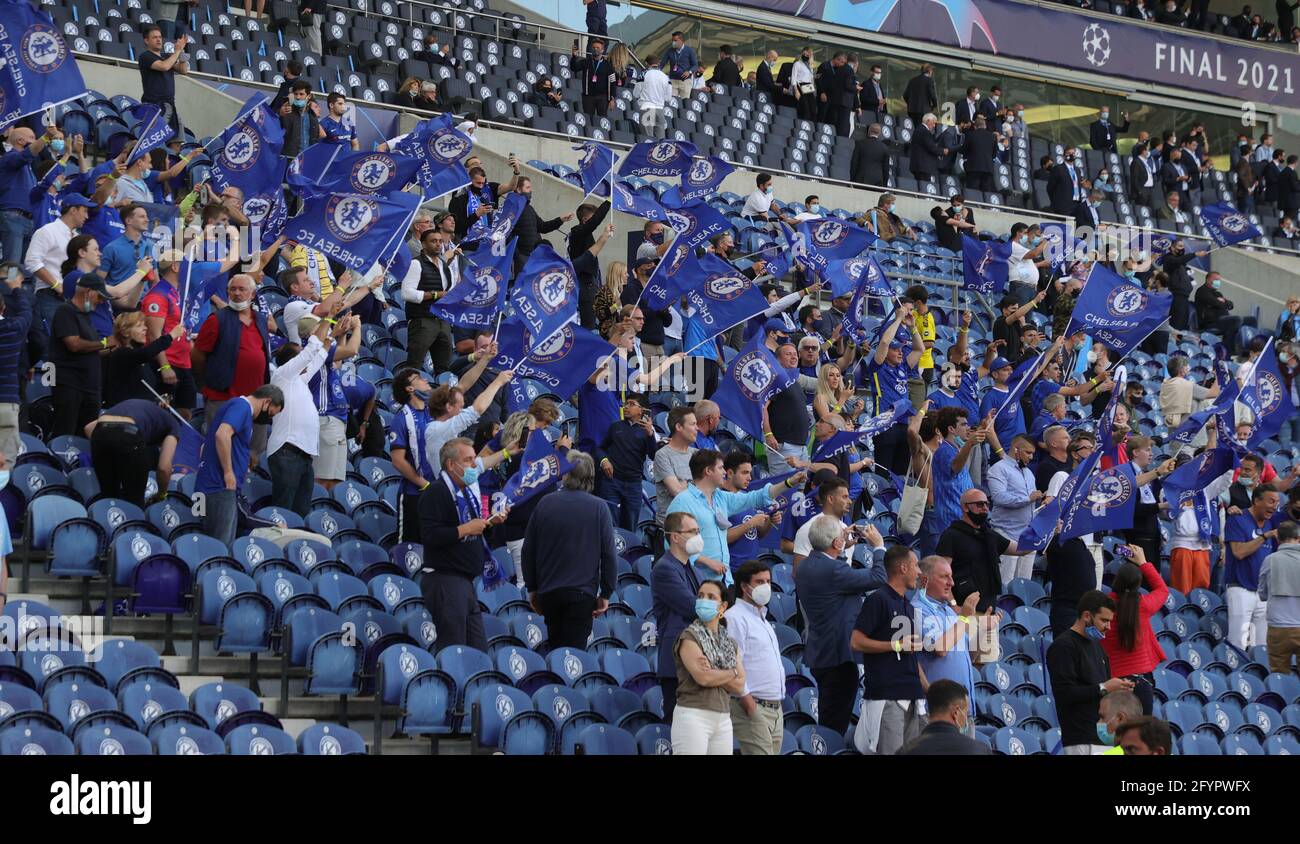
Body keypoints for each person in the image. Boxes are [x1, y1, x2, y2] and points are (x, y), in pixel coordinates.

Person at [795, 514, 887, 736]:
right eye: (839, 537)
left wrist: (842, 546)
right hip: (838, 655)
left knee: (830, 713)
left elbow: (833, 572)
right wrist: (879, 547)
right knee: (834, 724)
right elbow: (878, 576)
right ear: (835, 542)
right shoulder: (834, 571)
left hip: (822, 651)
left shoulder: (808, 564)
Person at [419, 437, 510, 651]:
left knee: (478, 651)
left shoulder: (465, 493)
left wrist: (490, 522)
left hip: (465, 582)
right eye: (468, 460)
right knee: (455, 649)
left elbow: (472, 530)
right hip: (445, 580)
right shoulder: (436, 491)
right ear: (451, 464)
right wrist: (466, 529)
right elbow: (430, 536)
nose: (473, 465)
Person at [523, 451, 617, 649]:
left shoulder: (545, 503)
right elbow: (609, 554)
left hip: (549, 592)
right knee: (574, 658)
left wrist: (532, 588)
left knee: (557, 651)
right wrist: (606, 593)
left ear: (566, 475)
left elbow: (528, 550)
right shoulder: (599, 507)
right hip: (581, 594)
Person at [667, 449, 803, 585]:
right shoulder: (682, 502)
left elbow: (756, 497)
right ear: (708, 471)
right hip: (697, 583)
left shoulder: (720, 497)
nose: (725, 472)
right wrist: (706, 561)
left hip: (725, 581)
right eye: (720, 468)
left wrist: (789, 482)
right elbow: (671, 546)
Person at [851, 543, 926, 754]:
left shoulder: (908, 606)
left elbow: (910, 654)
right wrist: (895, 645)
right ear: (903, 568)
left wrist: (927, 687)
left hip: (913, 693)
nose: (920, 572)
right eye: (916, 566)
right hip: (888, 696)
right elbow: (856, 641)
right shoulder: (878, 600)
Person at [1046, 590, 1135, 755]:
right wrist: (1104, 687)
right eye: (1104, 620)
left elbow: (1103, 690)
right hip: (1081, 740)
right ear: (1086, 616)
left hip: (1105, 738)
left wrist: (1118, 690)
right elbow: (1065, 694)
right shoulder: (1063, 646)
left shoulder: (1098, 647)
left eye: (1110, 622)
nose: (1108, 627)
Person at [195, 385, 284, 547]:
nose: (268, 419)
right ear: (267, 401)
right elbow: (222, 434)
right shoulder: (242, 407)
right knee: (221, 546)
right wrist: (229, 472)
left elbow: (204, 447)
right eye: (270, 414)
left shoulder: (236, 407)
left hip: (206, 487)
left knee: (206, 542)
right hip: (219, 488)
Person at [266, 317, 332, 515]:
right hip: (287, 451)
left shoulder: (300, 380)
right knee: (283, 510)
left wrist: (332, 335)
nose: (306, 359)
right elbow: (311, 351)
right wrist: (327, 318)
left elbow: (319, 355)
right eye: (300, 356)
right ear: (292, 361)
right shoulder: (282, 376)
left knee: (301, 512)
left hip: (304, 456)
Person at [670, 578, 743, 754]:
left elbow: (740, 685)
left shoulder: (730, 643)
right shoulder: (689, 637)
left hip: (723, 717)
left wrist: (713, 670)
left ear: (723, 607)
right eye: (701, 596)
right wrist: (732, 671)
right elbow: (703, 678)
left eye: (711, 597)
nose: (704, 600)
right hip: (693, 715)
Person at [724, 561, 785, 755]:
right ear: (744, 586)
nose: (766, 586)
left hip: (775, 709)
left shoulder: (763, 619)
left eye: (768, 581)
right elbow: (731, 664)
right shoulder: (734, 617)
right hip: (752, 707)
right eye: (759, 582)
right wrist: (748, 703)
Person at [937, 487, 1024, 614]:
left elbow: (1020, 549)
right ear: (965, 507)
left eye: (987, 504)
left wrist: (1045, 533)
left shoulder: (988, 535)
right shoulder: (951, 536)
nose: (985, 508)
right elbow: (941, 573)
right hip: (965, 611)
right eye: (979, 504)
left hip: (989, 612)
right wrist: (953, 605)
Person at [652, 511, 704, 720]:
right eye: (692, 532)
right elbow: (693, 607)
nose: (698, 536)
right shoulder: (664, 568)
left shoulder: (695, 571)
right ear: (675, 536)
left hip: (699, 659)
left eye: (698, 531)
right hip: (677, 662)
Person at [83, 399, 180, 509]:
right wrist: (162, 495)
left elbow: (88, 428)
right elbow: (163, 468)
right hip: (130, 434)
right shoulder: (173, 424)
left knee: (109, 498)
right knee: (135, 503)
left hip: (100, 433)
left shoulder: (140, 407)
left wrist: (110, 445)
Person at [915, 556, 983, 711]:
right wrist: (964, 617)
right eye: (944, 577)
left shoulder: (950, 612)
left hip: (964, 709)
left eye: (951, 577)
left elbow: (970, 656)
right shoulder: (917, 609)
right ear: (925, 580)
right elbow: (940, 648)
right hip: (938, 711)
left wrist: (985, 630)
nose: (951, 583)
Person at [47, 274, 110, 439]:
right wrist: (105, 343)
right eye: (100, 296)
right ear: (88, 292)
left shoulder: (86, 317)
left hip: (89, 388)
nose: (101, 301)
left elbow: (93, 350)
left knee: (85, 437)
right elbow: (73, 344)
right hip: (70, 385)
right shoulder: (65, 310)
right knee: (65, 434)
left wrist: (115, 347)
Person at [24, 193, 95, 331]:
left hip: (73, 297)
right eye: (84, 211)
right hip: (50, 295)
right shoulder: (47, 231)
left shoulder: (77, 236)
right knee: (52, 342)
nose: (87, 216)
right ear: (73, 210)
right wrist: (56, 285)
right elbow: (32, 261)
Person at [1225, 486, 1283, 649]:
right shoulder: (1237, 519)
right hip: (1240, 589)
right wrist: (1265, 536)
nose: (1274, 506)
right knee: (1238, 643)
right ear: (1257, 500)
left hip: (1263, 593)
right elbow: (1239, 552)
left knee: (1260, 647)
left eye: (1277, 503)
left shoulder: (1271, 522)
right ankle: (1235, 674)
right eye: (1271, 501)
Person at [401, 227, 460, 373]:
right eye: (433, 241)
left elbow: (449, 291)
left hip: (442, 320)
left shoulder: (444, 266)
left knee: (444, 367)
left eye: (440, 241)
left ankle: (441, 395)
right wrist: (435, 295)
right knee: (414, 364)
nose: (438, 244)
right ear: (423, 244)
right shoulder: (416, 263)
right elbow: (406, 293)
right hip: (422, 320)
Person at [596, 394, 659, 532]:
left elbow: (654, 455)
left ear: (641, 410)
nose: (626, 407)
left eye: (631, 404)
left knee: (630, 526)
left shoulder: (647, 431)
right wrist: (604, 460)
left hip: (633, 484)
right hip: (611, 481)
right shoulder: (615, 426)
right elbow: (600, 448)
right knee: (608, 524)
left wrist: (651, 436)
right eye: (626, 403)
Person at [988, 435, 1044, 584]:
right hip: (1006, 535)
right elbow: (999, 497)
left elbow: (1030, 502)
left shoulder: (1029, 473)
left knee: (1024, 585)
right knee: (1005, 584)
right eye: (1028, 452)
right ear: (1016, 449)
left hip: (1027, 535)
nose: (1031, 457)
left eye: (1033, 453)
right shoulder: (998, 469)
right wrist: (1028, 499)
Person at [103, 311, 182, 407]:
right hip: (126, 413)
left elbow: (147, 387)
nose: (145, 328)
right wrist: (171, 336)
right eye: (139, 326)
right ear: (125, 332)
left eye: (144, 325)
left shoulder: (141, 357)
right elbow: (145, 354)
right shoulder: (121, 353)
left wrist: (161, 398)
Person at [899, 679, 989, 755]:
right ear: (956, 712)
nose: (966, 719)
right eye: (966, 712)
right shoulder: (979, 750)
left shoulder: (906, 751)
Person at [1257, 520, 1300, 675]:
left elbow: (1262, 594)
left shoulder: (1270, 560)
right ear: (1298, 538)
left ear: (1277, 538)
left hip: (1279, 627)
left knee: (1279, 675)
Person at [0, 267, 32, 460]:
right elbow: (26, 311)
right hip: (6, 403)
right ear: (4, 308)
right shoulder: (14, 328)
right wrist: (16, 286)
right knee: (6, 465)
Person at [652, 406, 697, 537]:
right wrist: (696, 484)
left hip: (694, 528)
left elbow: (710, 489)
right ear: (679, 427)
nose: (697, 428)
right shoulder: (662, 455)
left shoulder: (697, 454)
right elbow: (676, 491)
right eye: (693, 424)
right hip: (670, 532)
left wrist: (685, 483)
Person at [138, 25, 189, 132]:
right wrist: (177, 51)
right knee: (158, 137)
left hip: (170, 104)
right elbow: (164, 66)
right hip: (155, 105)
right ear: (146, 41)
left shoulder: (166, 57)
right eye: (154, 37)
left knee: (177, 141)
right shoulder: (145, 56)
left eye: (160, 37)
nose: (158, 40)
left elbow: (183, 70)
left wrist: (181, 51)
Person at [1195, 272, 1244, 354]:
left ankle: (1246, 350)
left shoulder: (1217, 293)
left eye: (1219, 280)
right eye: (1216, 280)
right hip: (1211, 322)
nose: (1218, 282)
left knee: (1251, 320)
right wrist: (1223, 303)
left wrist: (1223, 302)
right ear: (1208, 280)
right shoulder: (1202, 291)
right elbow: (1217, 303)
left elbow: (1231, 305)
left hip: (1223, 319)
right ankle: (1229, 350)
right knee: (1237, 319)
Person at [571, 37, 615, 117]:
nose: (595, 49)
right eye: (594, 47)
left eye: (598, 48)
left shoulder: (608, 65)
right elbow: (574, 68)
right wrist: (574, 57)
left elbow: (612, 82)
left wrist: (612, 99)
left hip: (603, 98)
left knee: (602, 120)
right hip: (588, 97)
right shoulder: (586, 62)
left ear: (602, 50)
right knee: (588, 120)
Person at [634, 54, 672, 139]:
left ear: (647, 63)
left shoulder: (643, 74)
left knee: (648, 139)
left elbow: (636, 93)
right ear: (658, 63)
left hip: (647, 108)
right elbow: (668, 98)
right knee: (660, 141)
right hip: (660, 110)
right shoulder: (666, 77)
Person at [662, 31, 699, 100]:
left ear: (681, 41)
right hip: (673, 81)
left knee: (685, 102)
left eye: (675, 40)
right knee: (672, 102)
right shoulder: (670, 51)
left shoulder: (690, 51)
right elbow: (662, 63)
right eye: (672, 40)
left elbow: (695, 65)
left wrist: (689, 72)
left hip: (685, 82)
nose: (673, 42)